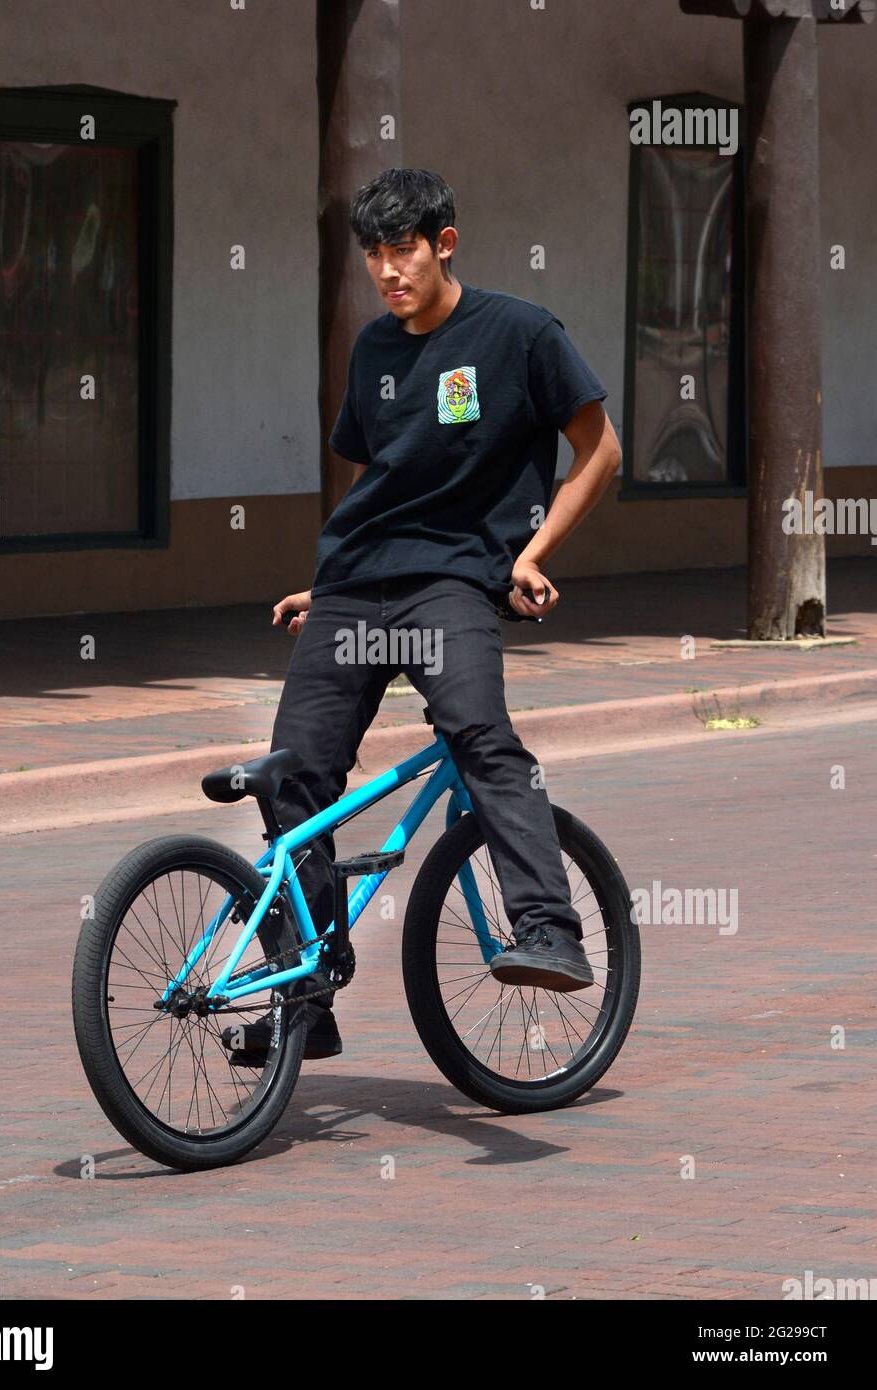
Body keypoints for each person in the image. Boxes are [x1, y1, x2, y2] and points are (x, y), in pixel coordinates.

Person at [226, 168, 621, 1065]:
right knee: (290, 780)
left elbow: (600, 450)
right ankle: (304, 996)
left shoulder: (520, 333)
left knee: (479, 732)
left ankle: (549, 929)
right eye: (373, 254)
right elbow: (383, 479)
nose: (387, 270)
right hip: (357, 586)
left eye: (401, 249)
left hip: (454, 584)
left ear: (444, 243)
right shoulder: (372, 350)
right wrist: (324, 585)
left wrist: (531, 554)